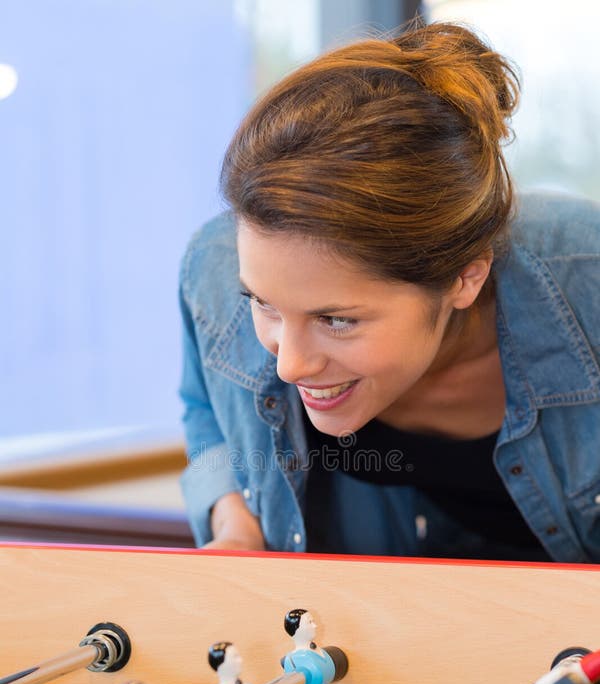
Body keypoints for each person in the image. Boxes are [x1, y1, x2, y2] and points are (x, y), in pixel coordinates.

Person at [178, 21, 600, 563]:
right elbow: (204, 414)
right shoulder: (215, 266)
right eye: (263, 304)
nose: (292, 367)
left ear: (463, 278)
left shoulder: (586, 285)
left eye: (337, 319)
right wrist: (234, 522)